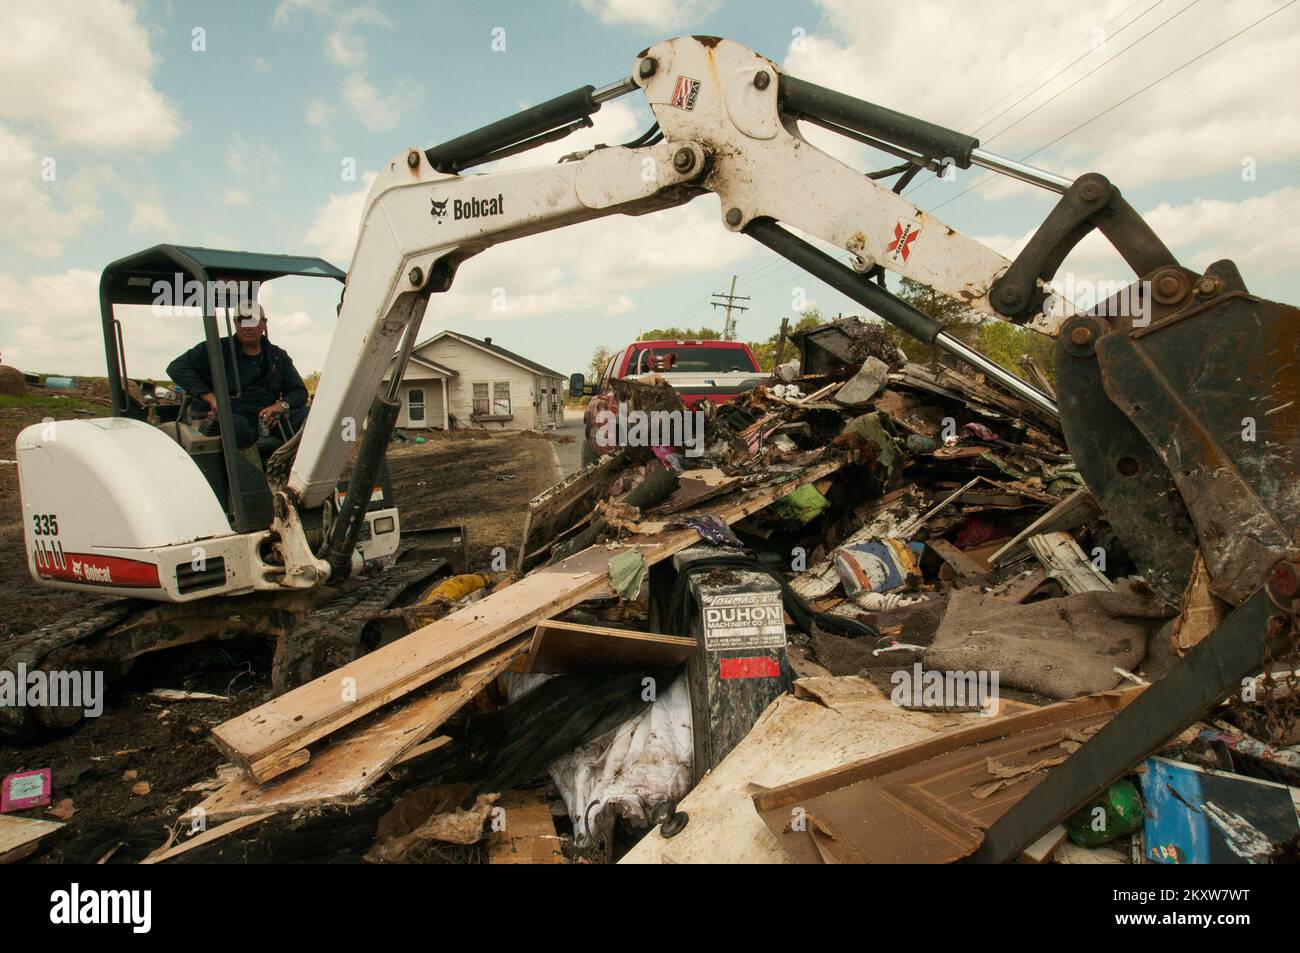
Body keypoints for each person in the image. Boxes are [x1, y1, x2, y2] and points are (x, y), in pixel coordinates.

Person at [166, 304, 309, 449]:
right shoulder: (216, 349)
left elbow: (299, 392)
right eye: (241, 320)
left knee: (312, 420)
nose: (246, 327)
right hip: (233, 413)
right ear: (235, 323)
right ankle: (246, 469)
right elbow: (176, 368)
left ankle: (293, 468)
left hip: (270, 417)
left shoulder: (278, 356)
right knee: (239, 430)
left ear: (264, 323)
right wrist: (211, 398)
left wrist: (281, 406)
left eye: (252, 320)